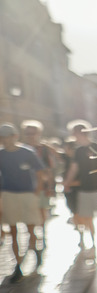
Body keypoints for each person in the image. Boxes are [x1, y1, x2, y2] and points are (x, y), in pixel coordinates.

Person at [0, 122, 45, 282]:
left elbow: (40, 172)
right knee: (13, 232)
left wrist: (37, 192)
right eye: (2, 138)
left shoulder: (27, 152)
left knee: (30, 229)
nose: (5, 141)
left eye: (7, 137)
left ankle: (34, 250)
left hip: (27, 194)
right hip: (8, 194)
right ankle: (18, 265)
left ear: (15, 136)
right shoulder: (1, 154)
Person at [63, 120, 97, 253]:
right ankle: (93, 243)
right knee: (87, 218)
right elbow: (74, 168)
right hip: (85, 190)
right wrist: (67, 183)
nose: (74, 137)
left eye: (75, 134)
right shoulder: (78, 151)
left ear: (81, 133)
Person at [20, 119, 57, 247]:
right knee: (27, 213)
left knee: (41, 212)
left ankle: (42, 234)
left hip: (42, 187)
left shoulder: (45, 150)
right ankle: (32, 236)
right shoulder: (20, 149)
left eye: (33, 133)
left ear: (39, 133)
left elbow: (49, 169)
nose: (30, 136)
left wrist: (51, 187)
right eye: (28, 133)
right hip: (25, 187)